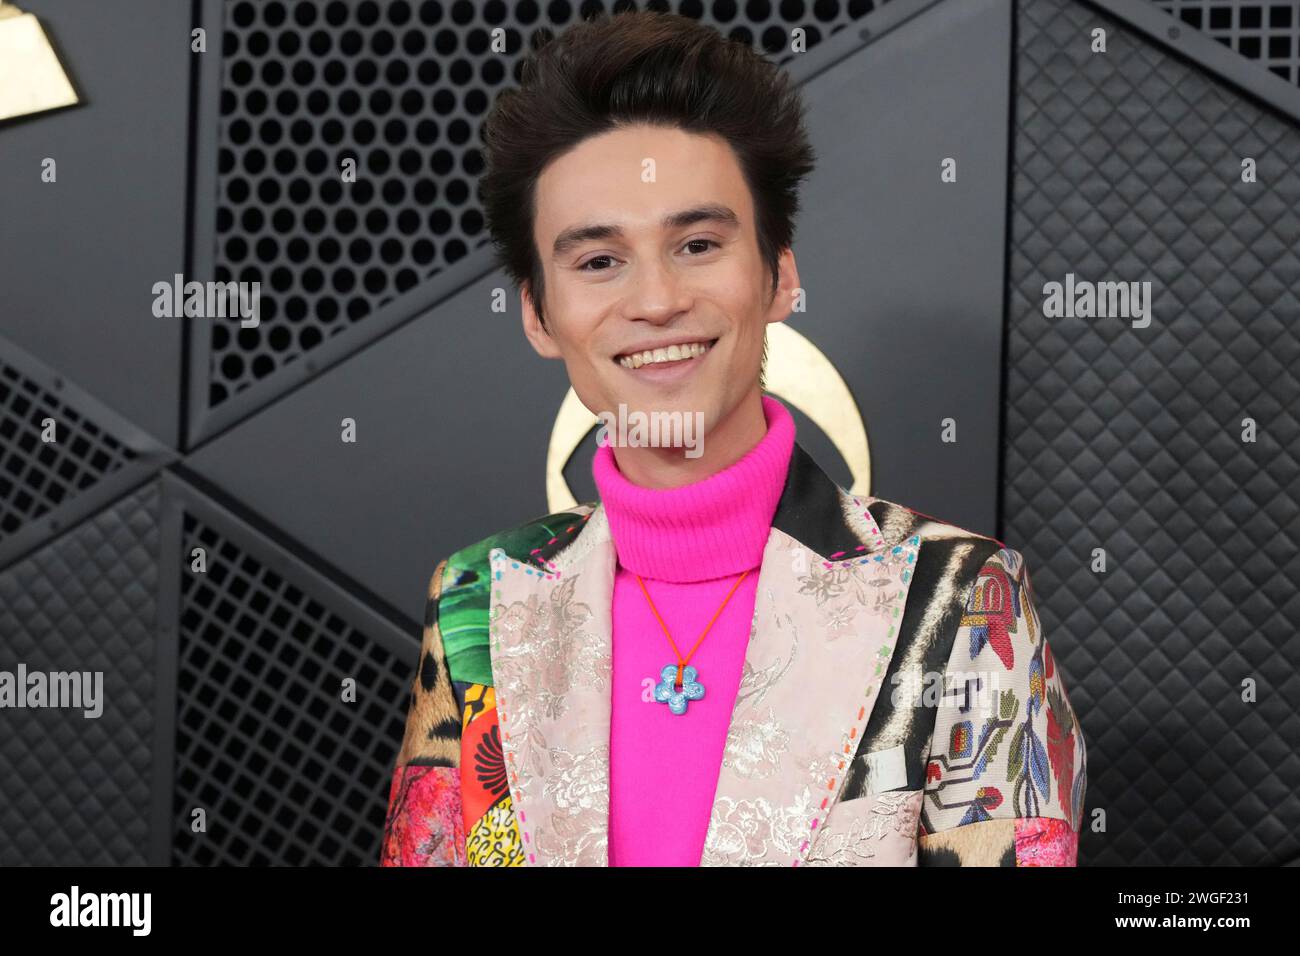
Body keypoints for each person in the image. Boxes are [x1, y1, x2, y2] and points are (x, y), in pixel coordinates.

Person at [381, 9, 1086, 867]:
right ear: (536, 312)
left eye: (699, 243)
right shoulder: (477, 600)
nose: (655, 300)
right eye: (598, 261)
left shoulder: (959, 597)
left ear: (778, 274)